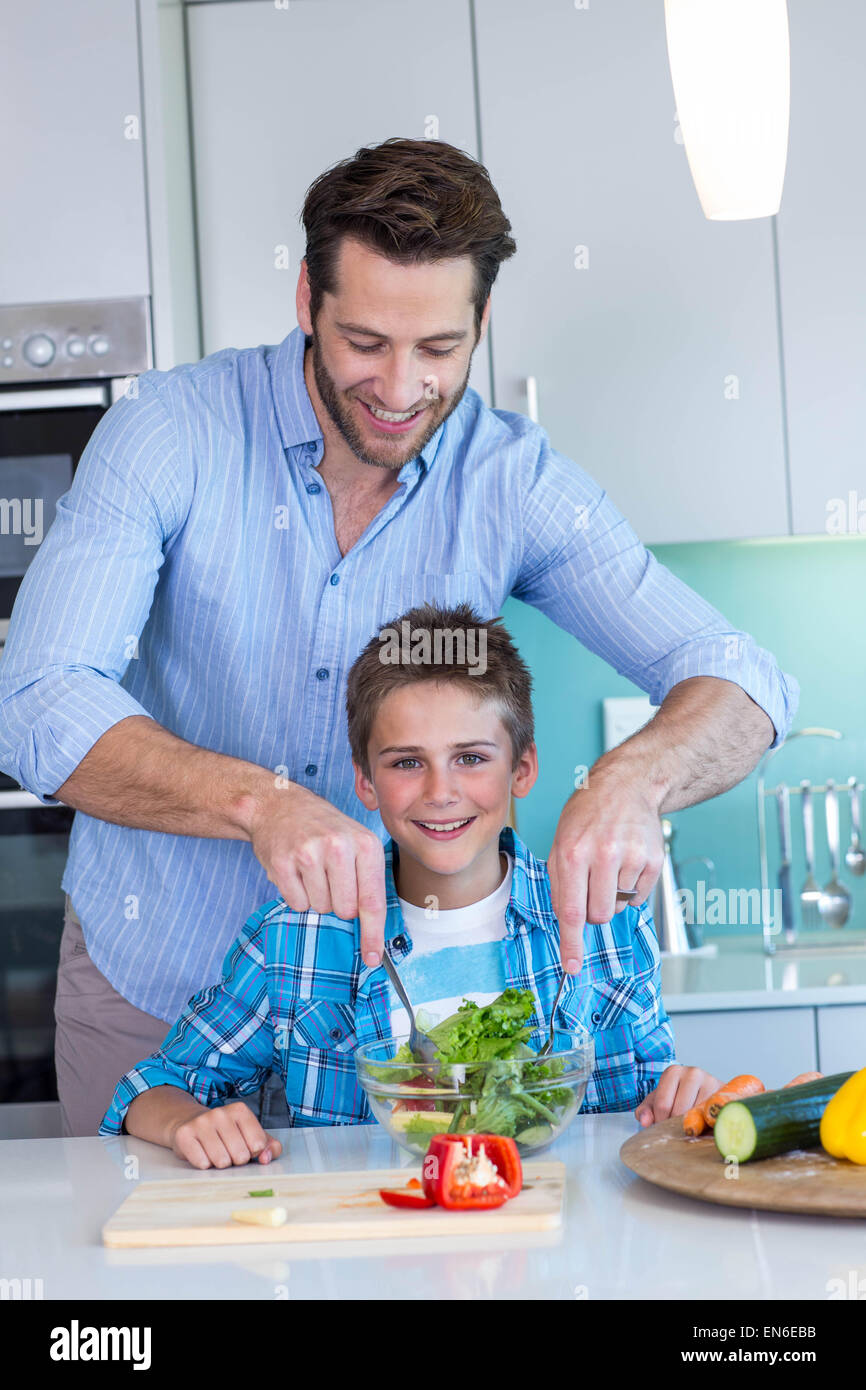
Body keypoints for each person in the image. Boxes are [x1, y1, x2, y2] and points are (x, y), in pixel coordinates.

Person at [0, 138, 794, 1137]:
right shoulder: (170, 432)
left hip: (379, 1035)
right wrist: (262, 803)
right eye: (365, 342)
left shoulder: (509, 476)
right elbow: (35, 701)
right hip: (151, 984)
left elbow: (740, 677)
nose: (400, 386)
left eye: (438, 349)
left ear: (480, 324)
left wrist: (632, 781)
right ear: (305, 301)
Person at [99, 604, 721, 1166]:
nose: (440, 792)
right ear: (366, 781)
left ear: (522, 768)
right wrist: (188, 1122)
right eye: (406, 762)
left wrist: (681, 1094)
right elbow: (151, 1088)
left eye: (471, 758)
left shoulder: (603, 921)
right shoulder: (296, 936)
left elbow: (649, 1100)